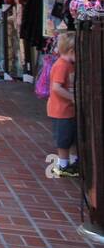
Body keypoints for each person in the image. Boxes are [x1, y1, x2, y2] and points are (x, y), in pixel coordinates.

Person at [47, 32, 79, 177]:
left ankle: (73, 162)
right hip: (61, 109)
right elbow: (56, 87)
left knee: (72, 137)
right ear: (72, 51)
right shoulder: (62, 65)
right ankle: (63, 165)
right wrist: (72, 97)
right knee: (64, 139)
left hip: (69, 109)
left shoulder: (69, 65)